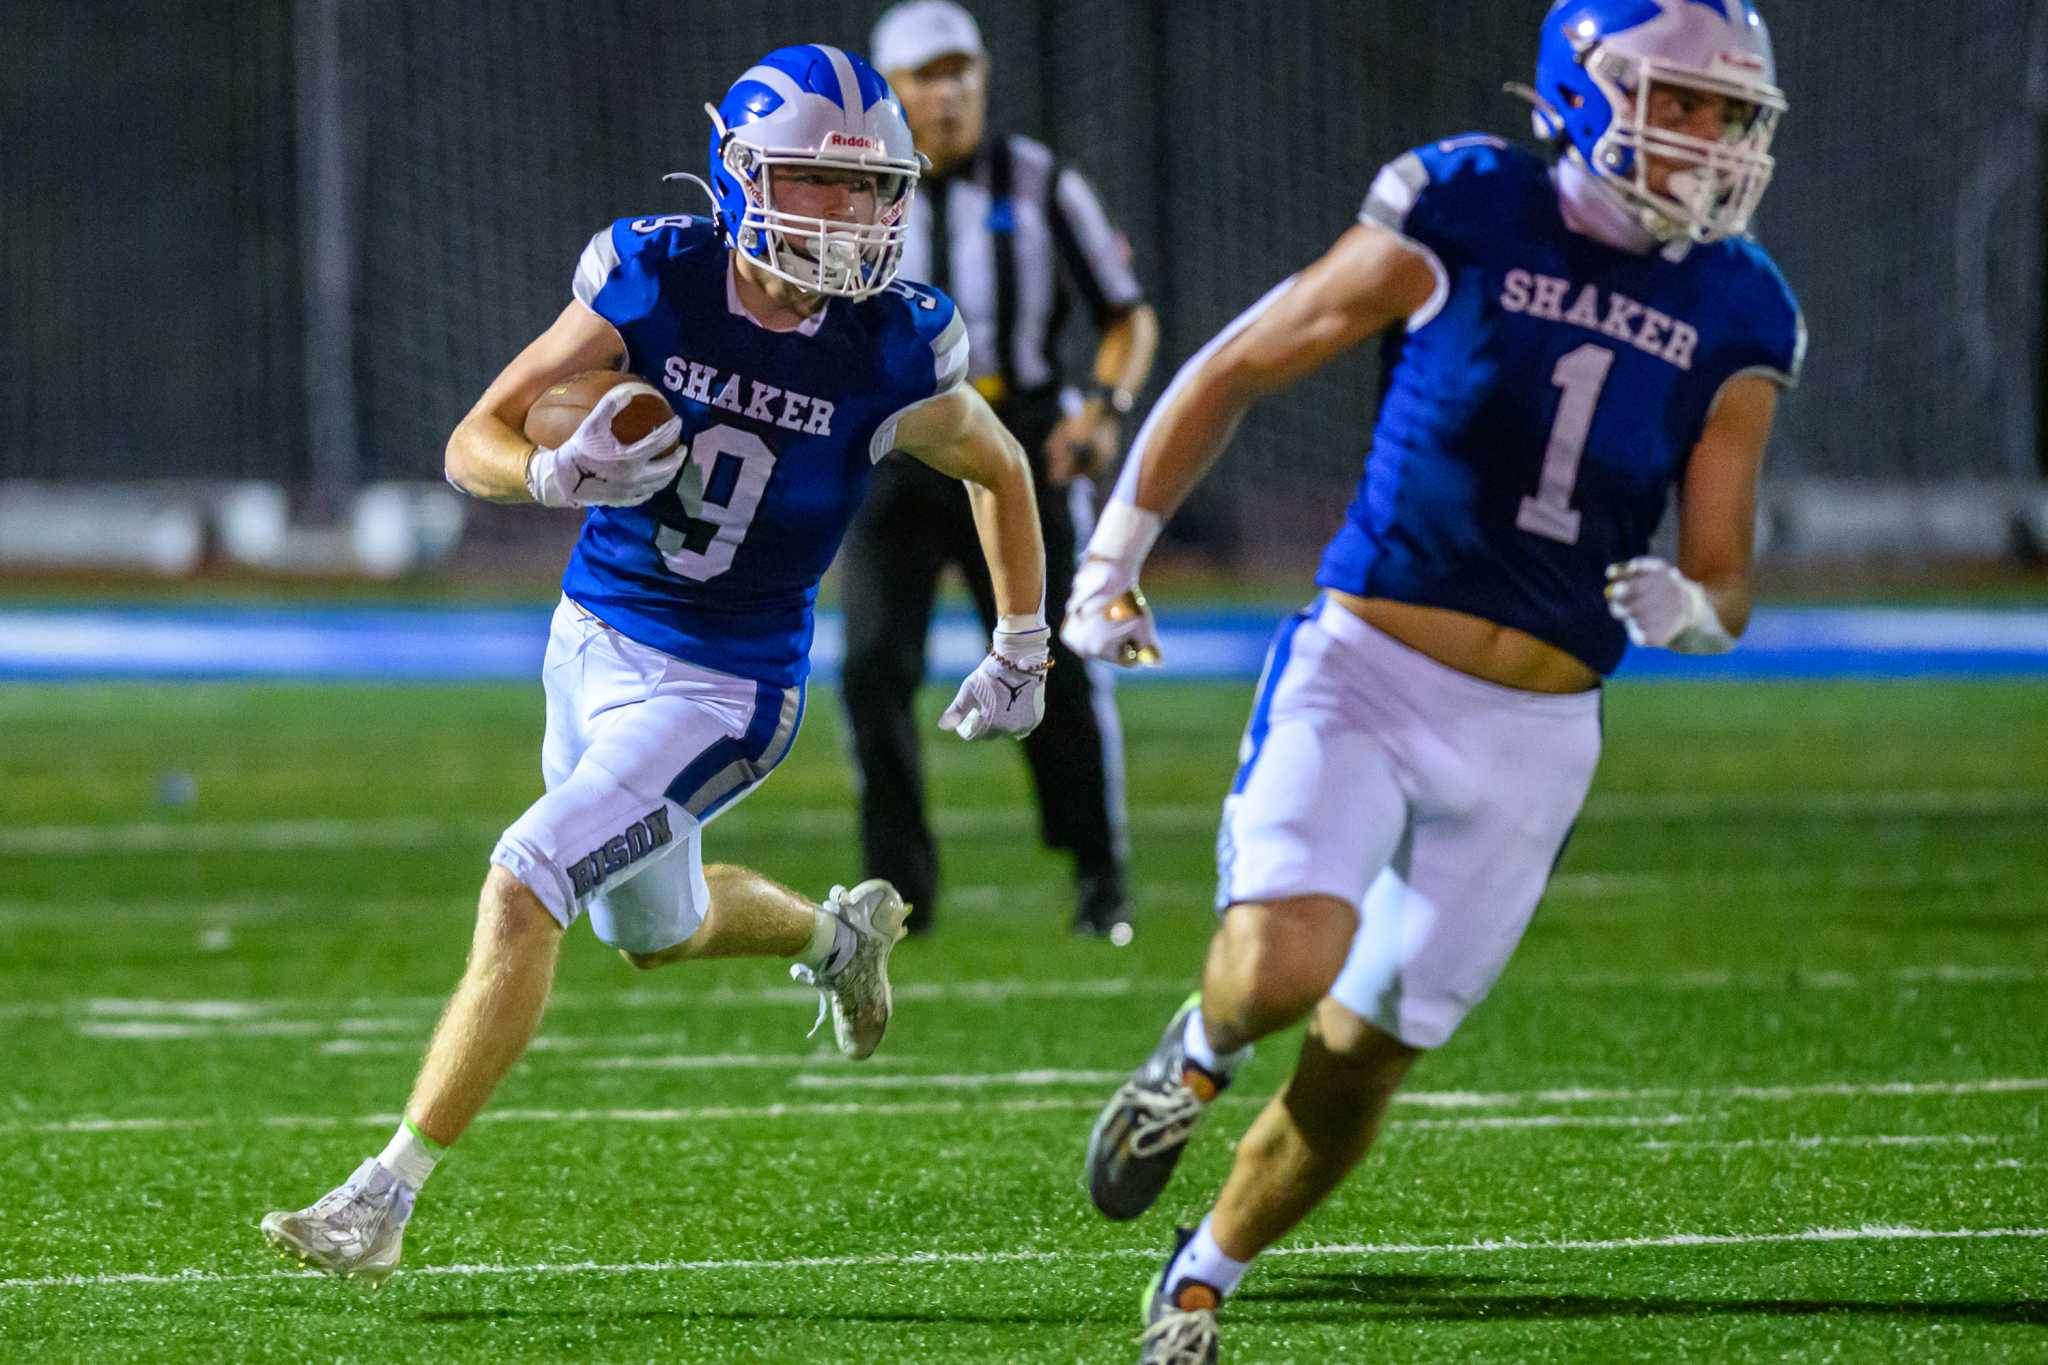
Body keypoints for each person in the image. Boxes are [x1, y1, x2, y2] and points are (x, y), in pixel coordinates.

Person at [1060, 1, 1803, 1358]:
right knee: (1279, 971)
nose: (1704, 137)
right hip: (1368, 670)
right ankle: (1196, 1053)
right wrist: (1111, 558)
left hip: (1540, 732)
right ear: (1582, 91)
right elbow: (1234, 367)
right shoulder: (1463, 204)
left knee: (1367, 1053)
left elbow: (1726, 573)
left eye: (1726, 111)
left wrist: (1695, 609)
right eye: (1676, 100)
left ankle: (1202, 1275)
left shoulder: (1741, 302)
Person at [258, 43, 1049, 1286]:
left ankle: (383, 1196)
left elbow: (1000, 467)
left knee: (525, 883)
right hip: (586, 641)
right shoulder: (655, 276)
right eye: (814, 181)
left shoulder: (891, 346)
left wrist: (1020, 641)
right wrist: (547, 472)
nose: (848, 215)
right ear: (737, 176)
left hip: (721, 691)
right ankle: (836, 942)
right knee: (655, 930)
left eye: (870, 188)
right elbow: (475, 437)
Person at [839, 0, 1160, 939]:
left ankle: (1101, 872)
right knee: (869, 668)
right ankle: (899, 892)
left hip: (1014, 436)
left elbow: (1126, 313)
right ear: (888, 93)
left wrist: (1104, 412)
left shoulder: (1042, 182)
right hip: (894, 443)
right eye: (927, 76)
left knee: (1047, 660)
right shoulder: (850, 189)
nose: (951, 93)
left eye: (963, 71)